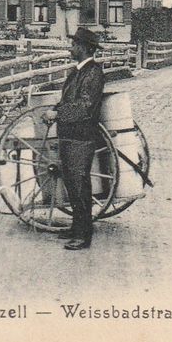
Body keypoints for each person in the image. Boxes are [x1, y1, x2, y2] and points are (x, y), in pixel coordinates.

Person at [41, 27, 105, 251]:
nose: (71, 48)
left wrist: (58, 114)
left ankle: (83, 235)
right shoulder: (77, 72)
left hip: (81, 138)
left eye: (74, 44)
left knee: (79, 186)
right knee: (72, 183)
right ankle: (77, 227)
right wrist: (55, 109)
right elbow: (68, 100)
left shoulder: (93, 73)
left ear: (84, 48)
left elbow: (84, 107)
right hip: (69, 136)